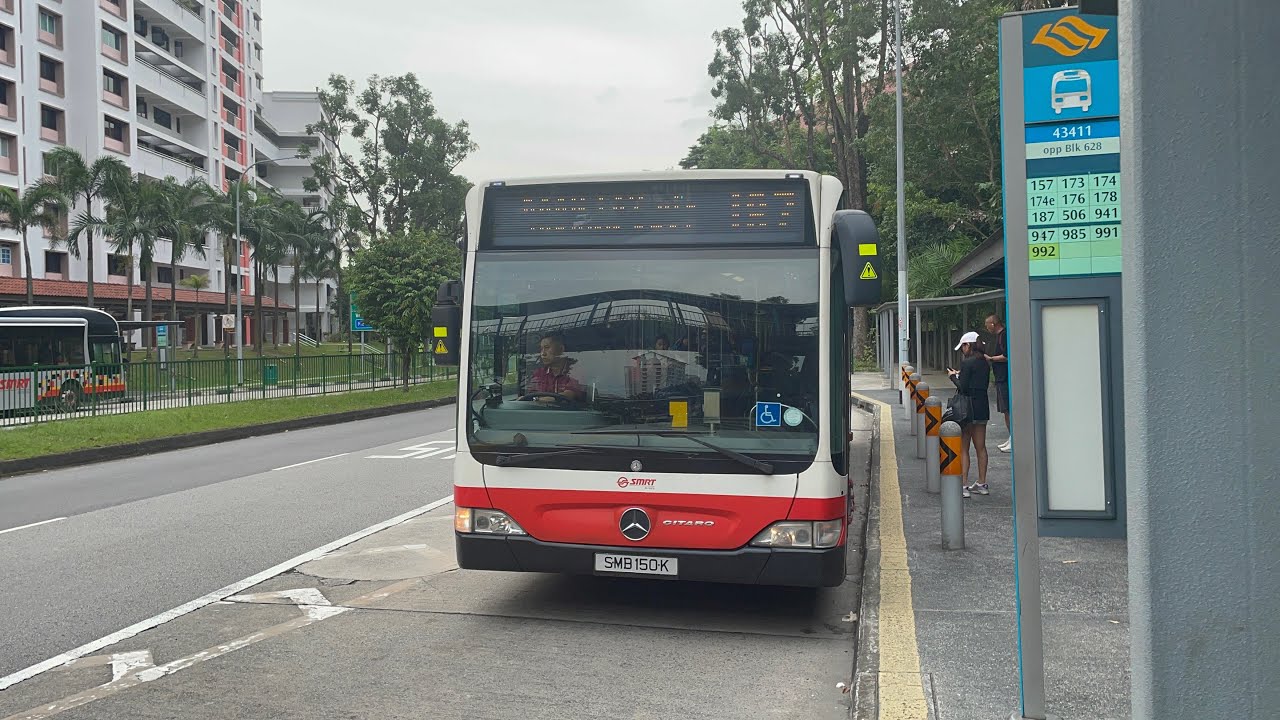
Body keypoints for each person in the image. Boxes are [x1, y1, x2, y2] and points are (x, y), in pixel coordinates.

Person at [947, 331, 990, 498]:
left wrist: (952, 377)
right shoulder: (984, 362)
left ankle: (964, 484)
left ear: (968, 345)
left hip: (967, 409)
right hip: (982, 407)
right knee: (981, 447)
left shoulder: (967, 362)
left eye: (963, 346)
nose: (962, 350)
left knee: (964, 447)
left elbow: (963, 386)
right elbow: (977, 382)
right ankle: (982, 483)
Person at [527, 333, 585, 403]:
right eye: (541, 349)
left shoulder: (574, 370)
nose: (542, 353)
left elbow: (568, 394)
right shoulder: (539, 373)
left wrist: (537, 400)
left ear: (561, 349)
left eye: (547, 347)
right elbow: (530, 395)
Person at [985, 314, 1011, 452]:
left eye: (987, 324)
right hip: (1000, 377)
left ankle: (1014, 438)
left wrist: (991, 358)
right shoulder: (1000, 336)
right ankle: (1011, 437)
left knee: (1007, 409)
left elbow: (1007, 355)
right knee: (1005, 409)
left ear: (993, 324)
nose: (986, 327)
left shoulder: (1004, 335)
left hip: (1004, 377)